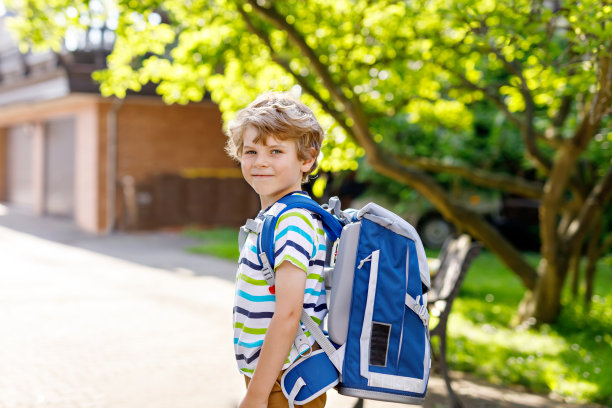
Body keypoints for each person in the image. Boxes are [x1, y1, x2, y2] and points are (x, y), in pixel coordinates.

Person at [225, 92, 328, 408]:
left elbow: (288, 313)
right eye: (251, 151)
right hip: (277, 377)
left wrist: (256, 395)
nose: (261, 162)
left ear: (306, 159)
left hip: (284, 383)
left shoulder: (291, 221)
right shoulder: (276, 217)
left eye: (275, 151)